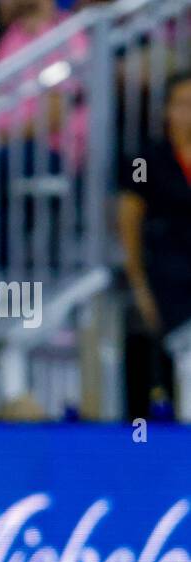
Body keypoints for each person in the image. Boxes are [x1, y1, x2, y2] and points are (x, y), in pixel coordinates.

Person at [118, 70, 191, 419]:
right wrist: (140, 285)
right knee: (174, 363)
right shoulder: (145, 161)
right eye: (181, 104)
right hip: (168, 276)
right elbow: (128, 223)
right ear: (166, 110)